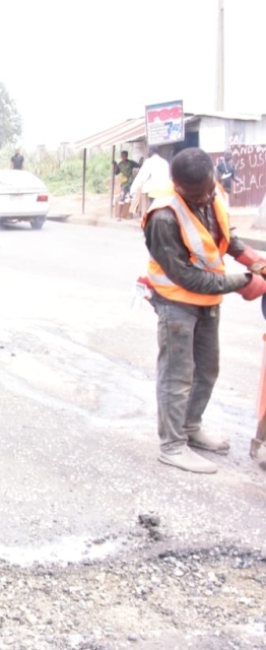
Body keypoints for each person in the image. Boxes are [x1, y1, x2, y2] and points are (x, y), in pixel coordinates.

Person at [140, 147, 266, 474]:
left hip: (207, 301)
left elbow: (224, 236)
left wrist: (256, 261)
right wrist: (243, 281)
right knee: (177, 374)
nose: (206, 197)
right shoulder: (164, 216)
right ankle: (171, 445)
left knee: (207, 369)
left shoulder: (213, 192)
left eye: (209, 189)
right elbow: (188, 277)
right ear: (177, 186)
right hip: (175, 302)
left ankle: (190, 426)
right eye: (197, 194)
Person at [131, 147, 171, 218]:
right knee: (163, 210)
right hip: (166, 191)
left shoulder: (149, 162)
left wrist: (133, 189)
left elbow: (141, 177)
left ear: (150, 152)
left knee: (154, 211)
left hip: (154, 192)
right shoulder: (164, 162)